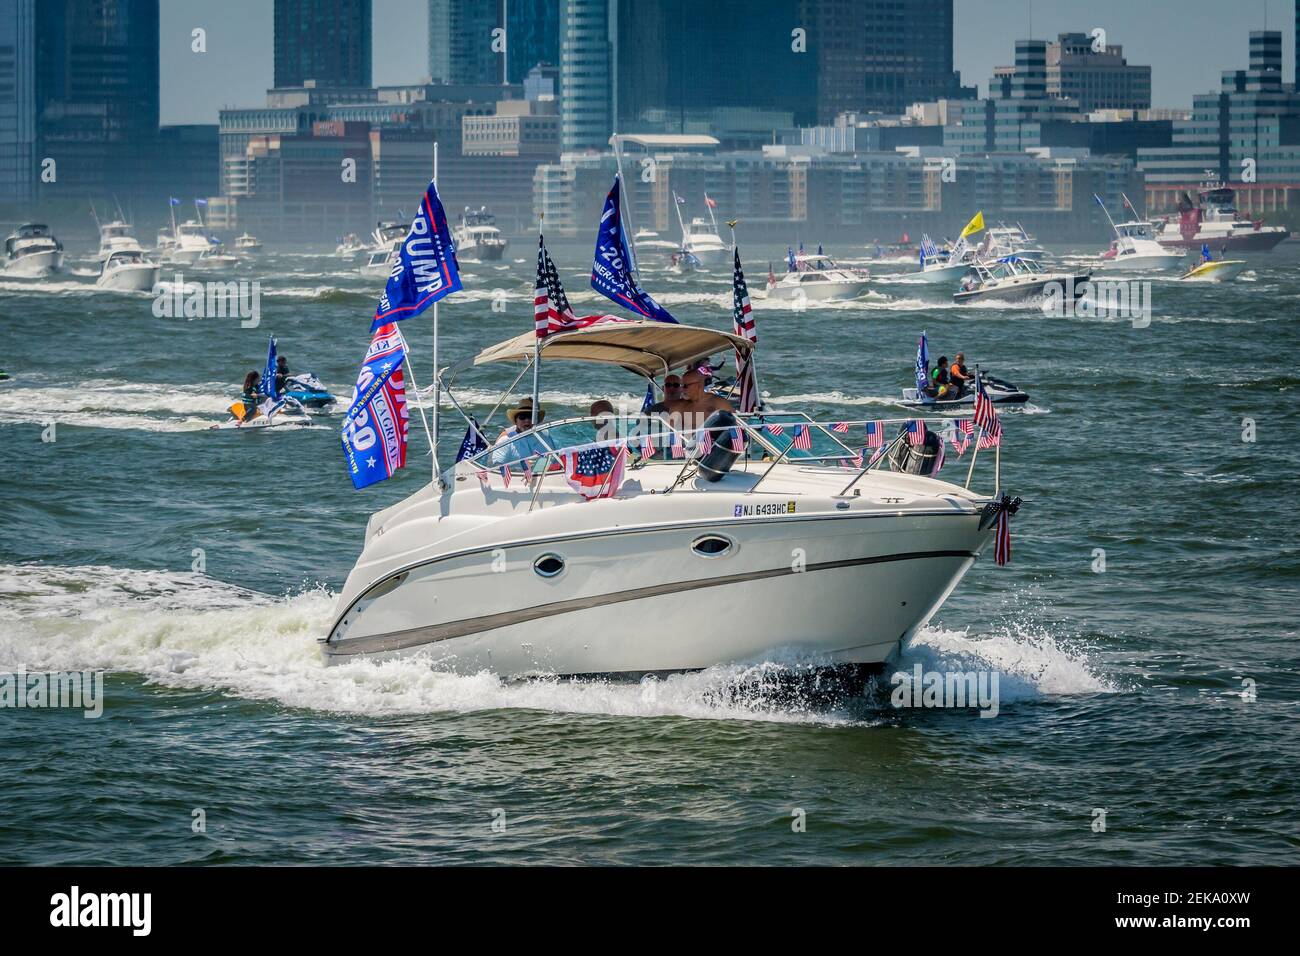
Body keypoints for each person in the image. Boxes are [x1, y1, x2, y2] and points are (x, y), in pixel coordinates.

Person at [665, 368, 732, 432]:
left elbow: (735, 428)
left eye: (685, 386)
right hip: (687, 443)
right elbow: (669, 435)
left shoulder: (719, 403)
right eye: (681, 386)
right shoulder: (677, 407)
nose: (682, 389)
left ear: (699, 385)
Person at [492, 397, 548, 468]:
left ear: (536, 420)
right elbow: (496, 467)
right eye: (522, 417)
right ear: (515, 421)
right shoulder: (506, 441)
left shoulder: (545, 437)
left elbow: (553, 460)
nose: (527, 420)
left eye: (531, 417)